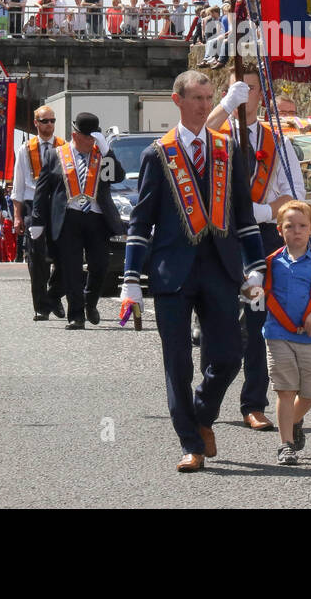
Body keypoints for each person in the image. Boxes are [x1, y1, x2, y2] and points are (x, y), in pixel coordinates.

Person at [118, 70, 265, 472]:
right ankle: (191, 444)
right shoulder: (157, 154)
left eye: (208, 97)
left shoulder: (227, 148)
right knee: (178, 362)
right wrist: (131, 280)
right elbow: (140, 222)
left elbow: (243, 215)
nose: (203, 105)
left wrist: (255, 268)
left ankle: (201, 414)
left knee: (230, 357)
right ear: (177, 100)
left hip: (219, 268)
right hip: (172, 273)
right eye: (196, 98)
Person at [206, 72, 305, 432]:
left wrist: (259, 212)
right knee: (218, 318)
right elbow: (190, 140)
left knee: (255, 318)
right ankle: (209, 398)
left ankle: (254, 402)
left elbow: (293, 195)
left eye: (251, 88)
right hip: (217, 236)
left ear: (262, 95)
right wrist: (225, 106)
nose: (245, 94)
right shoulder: (215, 132)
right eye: (238, 88)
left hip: (259, 238)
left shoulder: (276, 141)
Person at [263, 200, 311, 466]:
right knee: (285, 389)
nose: (296, 231)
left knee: (309, 393)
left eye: (302, 226)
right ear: (279, 230)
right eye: (290, 226)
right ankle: (286, 445)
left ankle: (294, 421)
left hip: (308, 337)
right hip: (277, 334)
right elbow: (254, 293)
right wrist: (248, 288)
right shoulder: (271, 262)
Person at [32, 112, 126, 328]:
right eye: (88, 137)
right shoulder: (57, 155)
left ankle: (90, 302)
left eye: (95, 137)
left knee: (101, 265)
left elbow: (118, 176)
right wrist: (36, 220)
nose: (91, 141)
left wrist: (107, 151)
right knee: (71, 267)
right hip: (68, 218)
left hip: (97, 219)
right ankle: (76, 315)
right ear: (75, 135)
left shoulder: (101, 156)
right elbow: (41, 190)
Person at [14, 105, 66, 320]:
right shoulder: (26, 148)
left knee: (65, 256)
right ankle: (41, 306)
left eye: (52, 120)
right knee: (37, 259)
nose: (50, 125)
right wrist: (17, 216)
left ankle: (54, 294)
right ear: (36, 123)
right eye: (45, 121)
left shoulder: (64, 147)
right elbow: (18, 185)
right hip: (33, 205)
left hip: (59, 204)